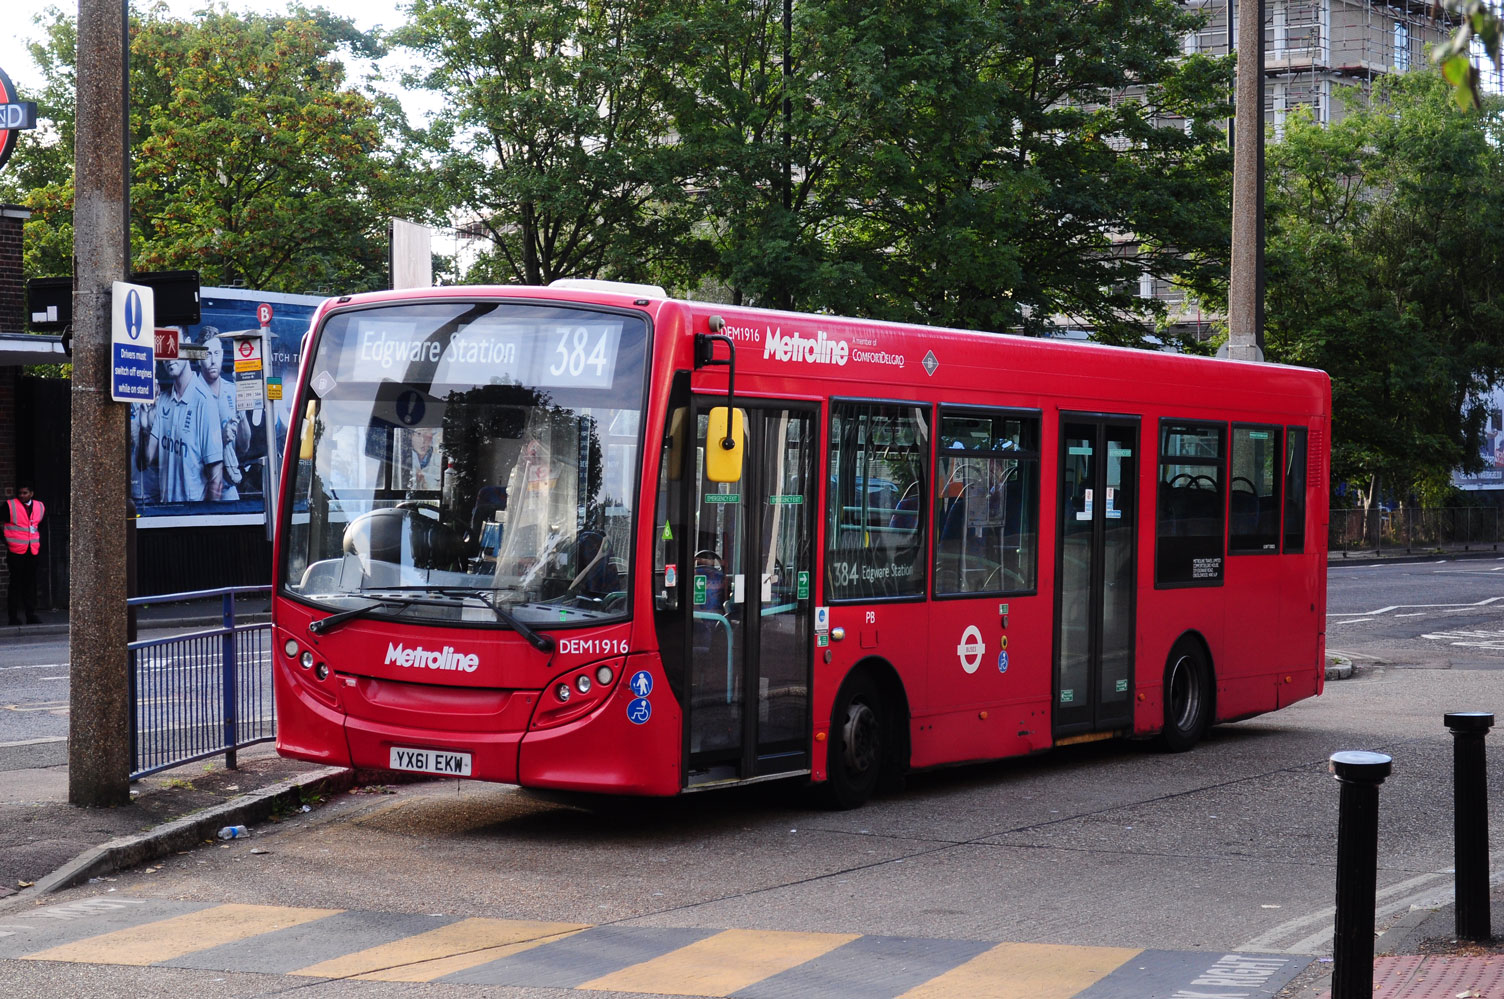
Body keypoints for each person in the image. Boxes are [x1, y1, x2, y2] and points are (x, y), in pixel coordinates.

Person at [141, 353, 224, 502]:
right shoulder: (163, 400)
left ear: (188, 346)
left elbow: (216, 481)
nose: (169, 357)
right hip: (166, 509)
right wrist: (145, 427)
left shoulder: (205, 402)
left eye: (174, 347)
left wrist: (205, 515)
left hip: (192, 512)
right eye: (165, 351)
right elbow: (146, 459)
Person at [198, 334, 250, 500]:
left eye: (217, 353)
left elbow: (244, 446)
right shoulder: (192, 391)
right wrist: (219, 439)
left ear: (222, 355)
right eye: (207, 354)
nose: (213, 360)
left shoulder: (232, 390)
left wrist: (242, 413)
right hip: (199, 490)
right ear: (199, 359)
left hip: (228, 488)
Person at [3, 483, 45, 625]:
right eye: (20, 493)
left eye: (25, 493)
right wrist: (5, 540)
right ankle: (13, 617)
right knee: (15, 584)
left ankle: (30, 615)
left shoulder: (40, 506)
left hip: (32, 551)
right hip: (15, 551)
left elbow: (39, 525)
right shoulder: (9, 506)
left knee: (30, 583)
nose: (22, 495)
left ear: (31, 494)